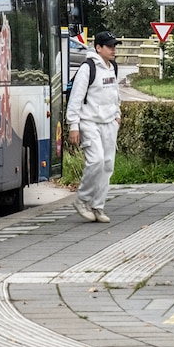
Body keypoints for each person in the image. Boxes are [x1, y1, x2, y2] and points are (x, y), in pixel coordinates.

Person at [66, 30, 122, 223]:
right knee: (96, 161)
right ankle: (82, 199)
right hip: (89, 122)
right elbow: (76, 98)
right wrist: (74, 125)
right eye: (109, 46)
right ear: (98, 48)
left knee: (107, 165)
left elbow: (115, 93)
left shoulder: (112, 67)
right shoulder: (87, 68)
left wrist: (117, 114)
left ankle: (98, 206)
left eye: (114, 46)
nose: (113, 49)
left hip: (108, 123)